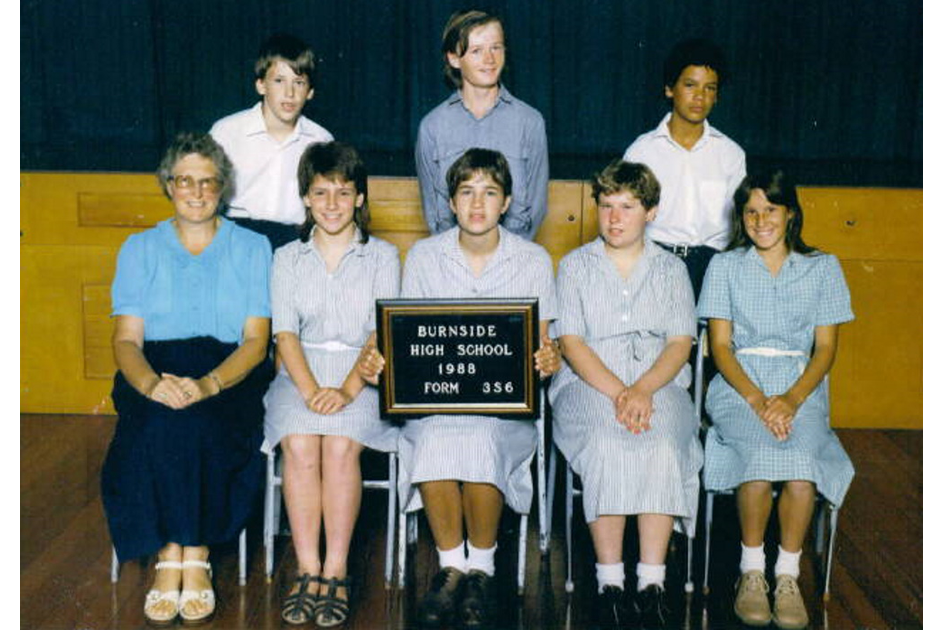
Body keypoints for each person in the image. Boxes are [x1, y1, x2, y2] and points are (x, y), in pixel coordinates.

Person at [360, 149, 561, 629]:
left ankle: (483, 570)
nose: (477, 204)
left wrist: (547, 359)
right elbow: (407, 336)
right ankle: (451, 566)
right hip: (436, 403)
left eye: (489, 192)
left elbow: (543, 341)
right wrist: (379, 358)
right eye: (466, 192)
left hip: (504, 409)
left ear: (507, 201)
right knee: (433, 438)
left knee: (481, 438)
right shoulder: (425, 257)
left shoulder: (534, 260)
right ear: (450, 202)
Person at [100, 132, 273, 626]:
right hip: (152, 367)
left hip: (228, 370)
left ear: (223, 188)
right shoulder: (139, 248)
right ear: (168, 186)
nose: (196, 192)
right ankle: (172, 554)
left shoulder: (252, 247)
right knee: (158, 424)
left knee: (197, 425)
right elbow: (126, 341)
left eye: (208, 182)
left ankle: (188, 554)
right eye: (185, 181)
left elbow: (256, 342)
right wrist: (153, 384)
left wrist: (210, 384)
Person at [697, 169, 855, 630]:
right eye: (751, 211)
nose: (760, 220)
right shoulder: (725, 266)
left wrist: (789, 399)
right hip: (738, 387)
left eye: (770, 209)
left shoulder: (823, 267)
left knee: (802, 461)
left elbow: (825, 349)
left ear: (790, 214)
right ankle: (751, 572)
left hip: (800, 386)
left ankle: (786, 575)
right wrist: (758, 399)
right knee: (761, 453)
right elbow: (721, 348)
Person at [550, 161, 703, 629]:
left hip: (659, 382)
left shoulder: (672, 269)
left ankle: (653, 581)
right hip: (588, 382)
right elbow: (571, 343)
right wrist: (621, 393)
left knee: (660, 441)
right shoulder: (574, 266)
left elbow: (680, 342)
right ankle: (609, 580)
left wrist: (642, 389)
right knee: (608, 442)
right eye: (607, 206)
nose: (615, 218)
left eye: (628, 207)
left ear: (650, 212)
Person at [263, 142, 401, 627]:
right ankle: (307, 569)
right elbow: (284, 334)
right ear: (305, 198)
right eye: (321, 192)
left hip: (361, 374)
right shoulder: (286, 258)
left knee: (341, 445)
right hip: (298, 372)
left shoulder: (383, 256)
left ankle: (337, 570)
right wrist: (308, 391)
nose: (332, 204)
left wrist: (345, 389)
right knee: (299, 443)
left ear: (361, 198)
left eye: (344, 192)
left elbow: (379, 332)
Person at [623, 38, 746, 299]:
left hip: (714, 267)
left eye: (709, 88)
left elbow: (740, 225)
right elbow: (625, 220)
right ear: (670, 89)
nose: (699, 96)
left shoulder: (731, 154)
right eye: (690, 85)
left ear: (717, 95)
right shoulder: (641, 151)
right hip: (655, 262)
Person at [415, 9, 549, 239]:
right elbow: (434, 214)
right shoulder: (432, 126)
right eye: (477, 51)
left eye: (496, 47)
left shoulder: (530, 122)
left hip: (514, 260)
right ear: (453, 58)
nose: (490, 60)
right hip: (452, 263)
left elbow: (536, 208)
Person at [210, 33, 333, 251]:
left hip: (296, 241)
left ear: (310, 92)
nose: (289, 93)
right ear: (261, 85)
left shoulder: (321, 140)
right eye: (279, 81)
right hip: (236, 238)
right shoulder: (226, 133)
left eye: (299, 82)